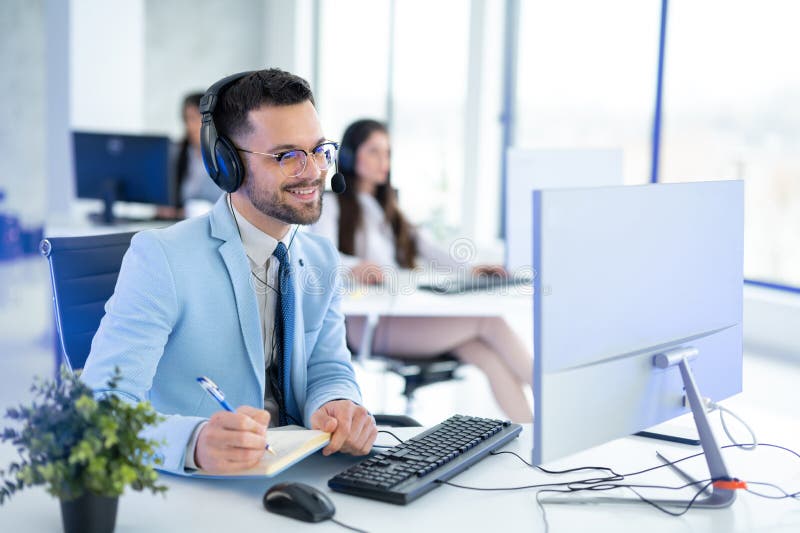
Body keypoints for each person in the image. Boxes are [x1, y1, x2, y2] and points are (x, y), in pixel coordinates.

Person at [81, 69, 377, 475]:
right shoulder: (161, 258)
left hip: (303, 474)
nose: (313, 172)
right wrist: (194, 443)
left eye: (318, 150)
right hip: (204, 490)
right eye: (287, 155)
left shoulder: (320, 257)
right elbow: (101, 404)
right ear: (227, 164)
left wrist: (337, 403)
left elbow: (328, 366)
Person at [309, 119, 533, 422]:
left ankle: (533, 436)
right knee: (490, 322)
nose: (383, 161)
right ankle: (558, 404)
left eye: (386, 153)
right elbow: (318, 254)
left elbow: (430, 250)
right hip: (367, 326)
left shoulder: (387, 209)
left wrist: (472, 268)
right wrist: (354, 266)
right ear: (349, 156)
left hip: (399, 317)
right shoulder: (332, 205)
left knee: (485, 354)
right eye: (374, 151)